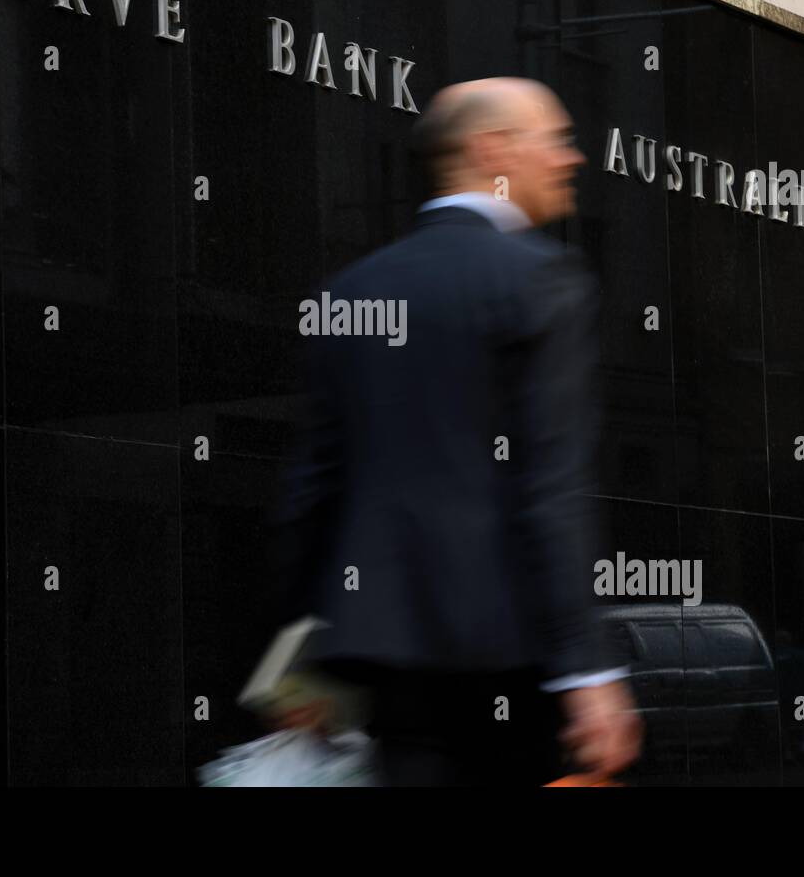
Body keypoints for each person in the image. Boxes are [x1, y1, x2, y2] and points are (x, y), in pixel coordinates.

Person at [268, 76, 642, 786]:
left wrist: (297, 662)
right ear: (491, 149)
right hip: (505, 651)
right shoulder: (542, 279)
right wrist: (586, 670)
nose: (573, 160)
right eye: (555, 141)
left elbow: (309, 491)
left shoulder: (350, 291)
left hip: (383, 661)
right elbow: (552, 490)